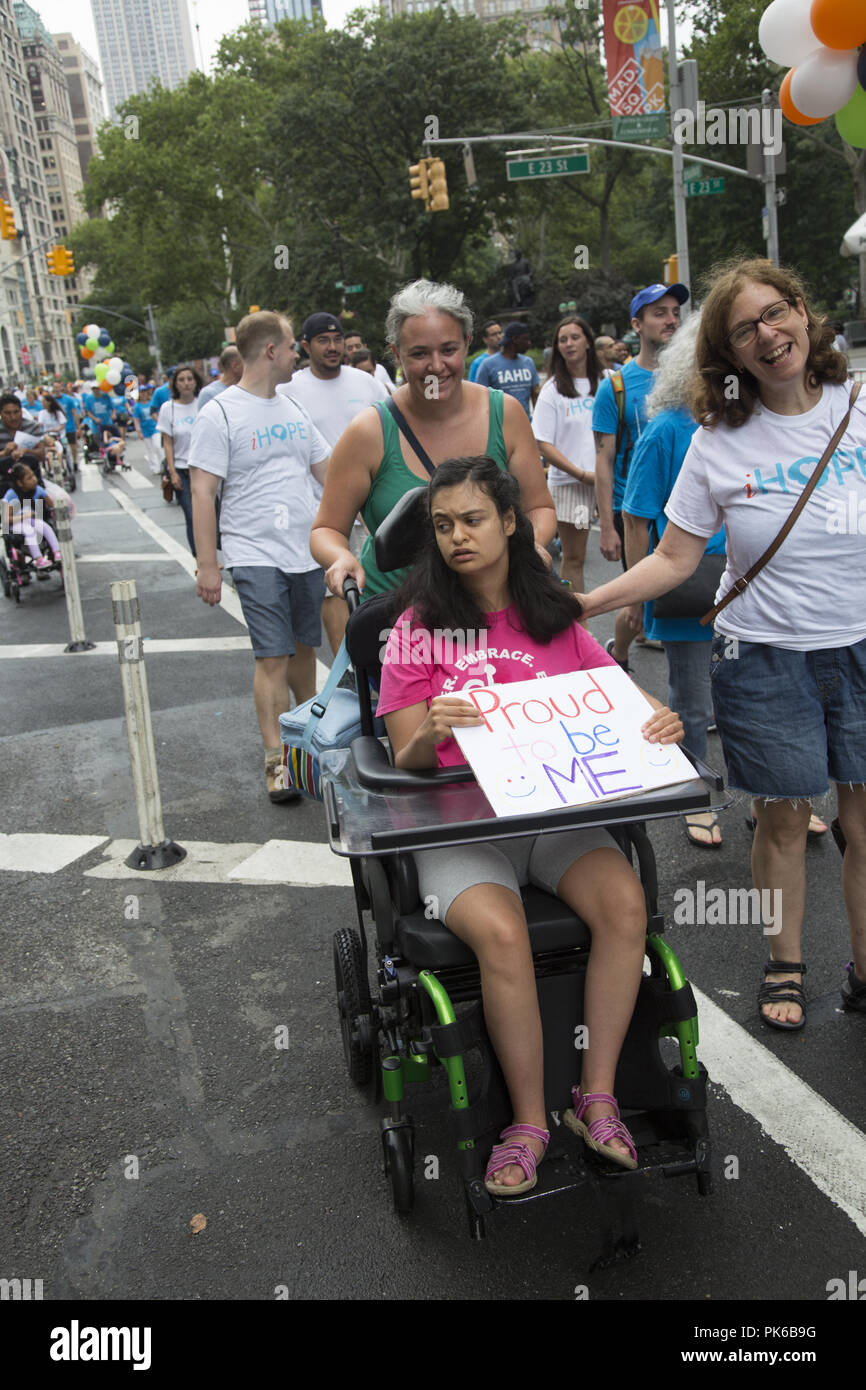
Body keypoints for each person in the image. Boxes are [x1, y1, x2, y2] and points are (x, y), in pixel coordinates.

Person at [376, 456, 685, 1189]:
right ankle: (526, 1121)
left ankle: (597, 1095)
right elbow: (403, 755)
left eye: (473, 520)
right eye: (443, 525)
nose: (457, 537)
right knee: (504, 932)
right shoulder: (416, 632)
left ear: (510, 522)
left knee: (625, 906)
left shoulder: (555, 614)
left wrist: (658, 722)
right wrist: (429, 733)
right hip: (459, 828)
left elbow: (618, 706)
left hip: (551, 818)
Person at [577, 256, 866, 1029]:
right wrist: (586, 603)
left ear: (803, 313)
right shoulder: (717, 440)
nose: (768, 336)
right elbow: (674, 557)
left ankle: (865, 972)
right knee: (780, 819)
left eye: (776, 314)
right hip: (766, 656)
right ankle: (785, 964)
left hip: (861, 648)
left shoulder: (859, 405)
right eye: (745, 331)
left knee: (864, 820)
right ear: (730, 356)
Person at [309, 278, 555, 602]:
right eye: (420, 354)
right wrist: (341, 557)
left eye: (449, 350)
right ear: (397, 355)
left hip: (493, 609)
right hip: (397, 623)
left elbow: (539, 507)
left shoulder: (505, 414)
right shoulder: (368, 432)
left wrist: (531, 547)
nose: (436, 367)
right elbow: (325, 530)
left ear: (467, 344)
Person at [189, 311, 329, 804]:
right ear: (272, 350)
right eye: (292, 346)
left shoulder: (293, 408)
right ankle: (278, 764)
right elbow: (203, 492)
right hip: (254, 553)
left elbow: (328, 472)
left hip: (303, 551)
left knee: (304, 652)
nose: (298, 353)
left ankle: (306, 752)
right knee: (273, 655)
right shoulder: (220, 413)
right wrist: (209, 564)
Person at [619, 309, 727, 848]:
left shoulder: (741, 419)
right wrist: (636, 596)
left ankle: (776, 802)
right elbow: (636, 515)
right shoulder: (664, 428)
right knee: (691, 699)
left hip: (748, 588)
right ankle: (697, 797)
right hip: (688, 586)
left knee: (750, 697)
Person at [592, 282, 689, 672]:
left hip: (686, 507)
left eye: (675, 312)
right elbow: (604, 458)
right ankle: (618, 651)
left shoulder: (694, 377)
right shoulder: (615, 386)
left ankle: (694, 696)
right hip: (634, 512)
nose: (670, 320)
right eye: (659, 313)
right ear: (637, 323)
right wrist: (606, 527)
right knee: (640, 599)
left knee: (691, 596)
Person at [279, 311, 388, 653]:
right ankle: (350, 670)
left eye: (337, 339)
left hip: (373, 502)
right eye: (323, 341)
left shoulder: (365, 382)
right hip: (324, 507)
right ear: (306, 346)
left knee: (380, 583)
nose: (333, 346)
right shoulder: (289, 389)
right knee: (338, 589)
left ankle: (385, 664)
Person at [531, 315, 599, 597]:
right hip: (571, 485)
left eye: (575, 337)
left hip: (608, 483)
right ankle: (578, 625)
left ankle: (640, 626)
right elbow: (542, 443)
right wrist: (581, 474)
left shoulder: (607, 381)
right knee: (575, 558)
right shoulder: (553, 390)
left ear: (587, 342)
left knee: (629, 553)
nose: (569, 344)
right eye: (563, 339)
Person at [158, 365, 202, 555]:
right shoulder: (169, 408)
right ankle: (199, 558)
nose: (186, 383)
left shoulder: (203, 403)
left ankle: (210, 553)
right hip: (182, 470)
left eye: (189, 379)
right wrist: (172, 471)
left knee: (208, 515)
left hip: (203, 469)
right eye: (181, 380)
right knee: (192, 516)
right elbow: (167, 443)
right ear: (175, 384)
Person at [475, 321, 540, 418]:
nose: (529, 343)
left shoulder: (529, 362)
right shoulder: (487, 365)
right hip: (499, 429)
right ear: (515, 339)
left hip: (526, 426)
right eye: (525, 339)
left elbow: (535, 395)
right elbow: (479, 399)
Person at [2, 462, 61, 569]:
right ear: (20, 483)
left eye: (33, 476)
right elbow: (6, 519)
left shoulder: (37, 489)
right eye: (29, 478)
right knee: (29, 530)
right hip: (16, 523)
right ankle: (38, 559)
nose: (34, 479)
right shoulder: (11, 494)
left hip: (31, 519)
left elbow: (51, 504)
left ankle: (56, 551)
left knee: (45, 526)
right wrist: (24, 516)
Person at [343, 329, 395, 393]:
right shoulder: (344, 373)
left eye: (357, 346)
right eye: (350, 348)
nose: (354, 350)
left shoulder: (379, 369)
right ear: (344, 350)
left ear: (364, 346)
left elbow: (393, 391)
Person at [132, 383, 162, 473]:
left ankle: (162, 465)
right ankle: (154, 467)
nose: (143, 394)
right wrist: (139, 432)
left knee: (158, 446)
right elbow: (136, 420)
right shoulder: (137, 406)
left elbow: (157, 413)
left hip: (155, 428)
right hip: (145, 430)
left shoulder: (152, 403)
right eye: (141, 392)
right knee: (150, 449)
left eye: (145, 392)